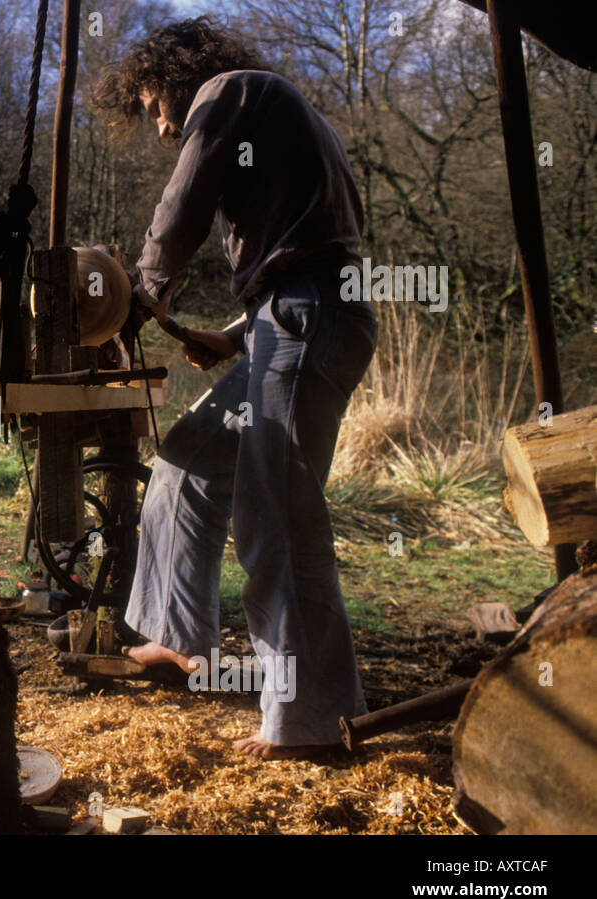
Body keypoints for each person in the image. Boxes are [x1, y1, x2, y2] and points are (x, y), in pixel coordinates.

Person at [93, 17, 378, 759]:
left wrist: (142, 289)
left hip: (312, 318)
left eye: (156, 107)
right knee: (187, 461)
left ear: (177, 76)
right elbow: (299, 247)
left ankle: (312, 718)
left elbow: (182, 205)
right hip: (289, 317)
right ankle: (178, 636)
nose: (162, 128)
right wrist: (235, 333)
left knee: (277, 511)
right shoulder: (273, 108)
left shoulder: (231, 91)